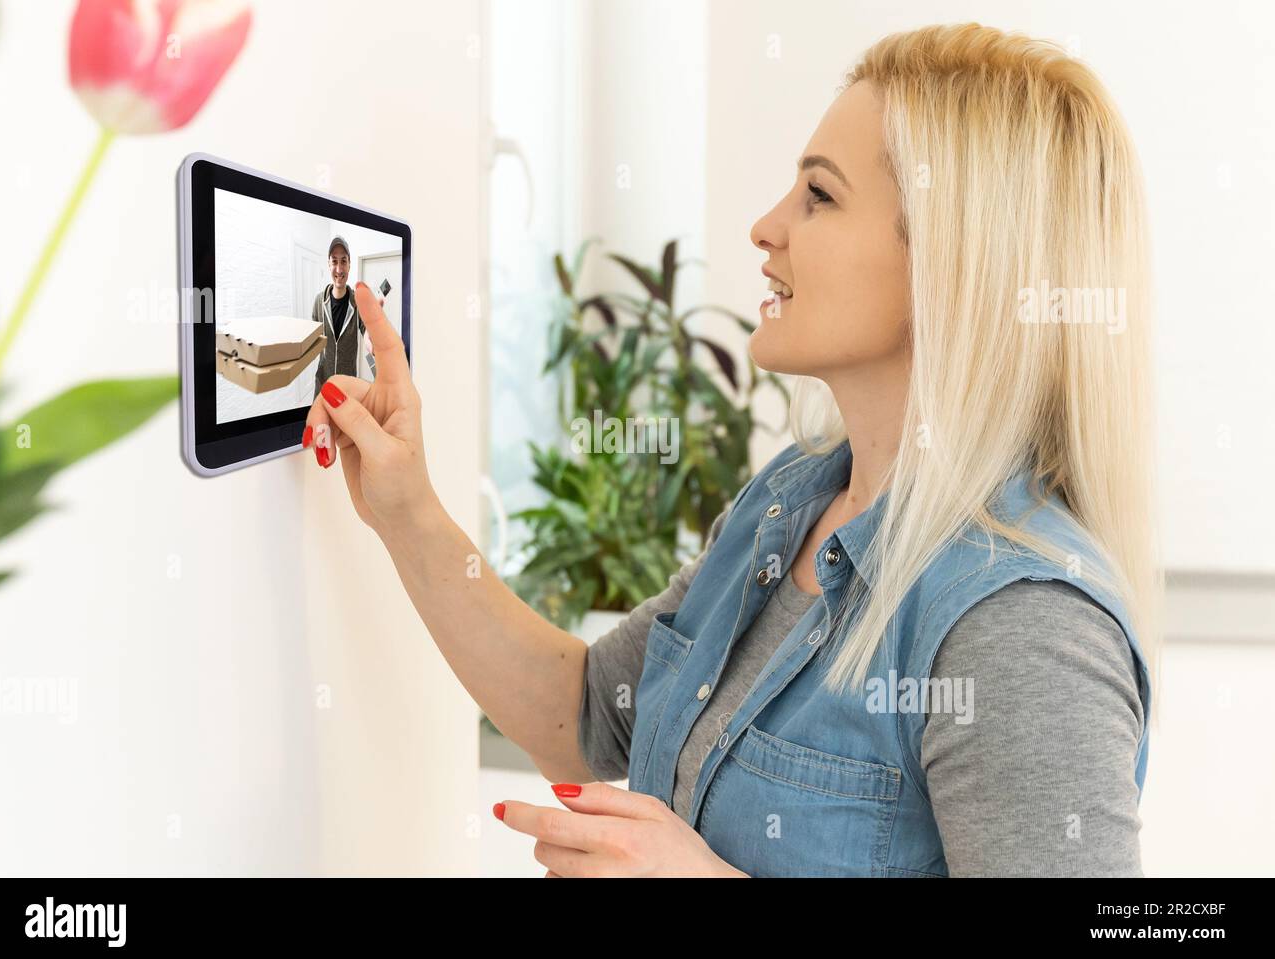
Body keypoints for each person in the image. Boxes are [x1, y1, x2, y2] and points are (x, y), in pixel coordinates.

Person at [302, 23, 1158, 877]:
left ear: (950, 258)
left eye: (819, 196)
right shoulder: (789, 501)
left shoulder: (1019, 625)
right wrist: (409, 510)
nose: (766, 226)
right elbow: (588, 711)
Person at [313, 235, 363, 398]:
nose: (339, 269)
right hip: (323, 385)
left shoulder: (358, 303)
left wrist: (374, 342)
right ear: (329, 264)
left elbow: (368, 332)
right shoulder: (319, 301)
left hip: (348, 389)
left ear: (349, 265)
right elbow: (312, 340)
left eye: (343, 261)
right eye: (334, 261)